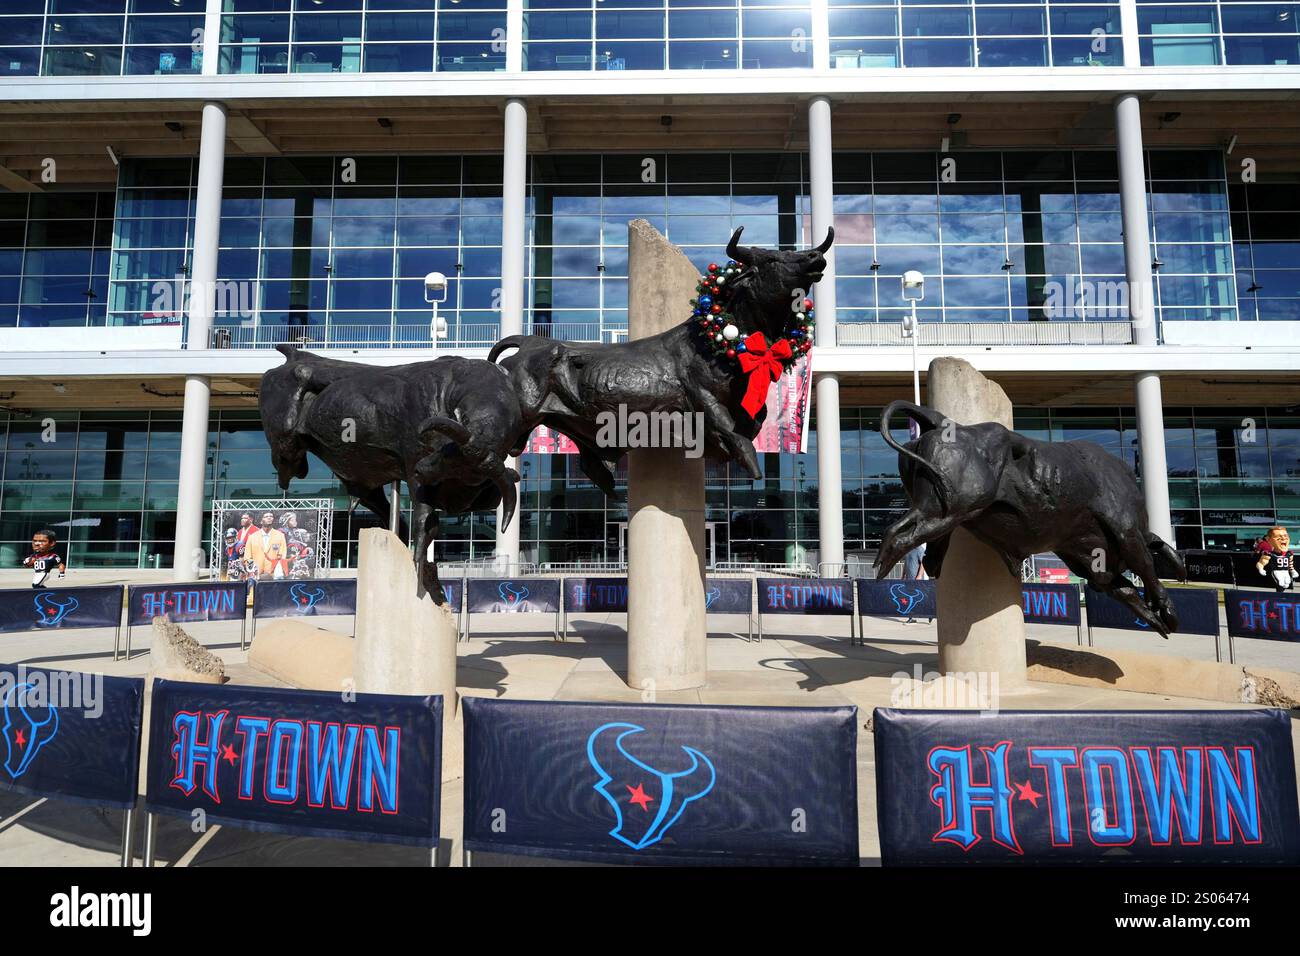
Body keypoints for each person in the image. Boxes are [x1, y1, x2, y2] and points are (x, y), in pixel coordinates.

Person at [244, 512, 289, 580]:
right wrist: (253, 572)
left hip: (273, 577)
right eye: (266, 516)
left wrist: (275, 572)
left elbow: (282, 556)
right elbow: (247, 557)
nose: (269, 518)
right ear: (261, 521)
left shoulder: (280, 536)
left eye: (271, 516)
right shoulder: (252, 537)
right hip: (255, 576)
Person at [1255, 526, 1297, 593]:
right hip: (1277, 571)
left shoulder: (1289, 554)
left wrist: (1293, 571)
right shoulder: (1270, 554)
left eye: (1285, 536)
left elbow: (1290, 564)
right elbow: (1261, 563)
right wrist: (1261, 568)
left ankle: (1281, 595)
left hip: (1285, 572)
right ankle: (1279, 596)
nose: (1283, 538)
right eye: (1278, 537)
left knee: (1287, 584)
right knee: (1280, 583)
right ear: (1269, 540)